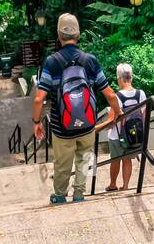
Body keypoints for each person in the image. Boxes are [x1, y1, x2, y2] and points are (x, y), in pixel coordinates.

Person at [33, 14, 122, 204]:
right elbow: (111, 95)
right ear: (78, 35)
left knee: (62, 164)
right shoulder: (90, 60)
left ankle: (59, 196)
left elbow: (39, 98)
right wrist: (118, 113)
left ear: (58, 35)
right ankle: (79, 195)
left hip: (61, 127)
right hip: (88, 125)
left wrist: (36, 122)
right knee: (85, 159)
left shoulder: (52, 62)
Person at [106, 63, 147, 192]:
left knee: (115, 160)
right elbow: (144, 115)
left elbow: (111, 122)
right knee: (127, 159)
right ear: (131, 77)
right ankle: (125, 186)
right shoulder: (141, 94)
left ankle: (113, 185)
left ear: (119, 78)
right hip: (134, 134)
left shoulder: (116, 97)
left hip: (117, 136)